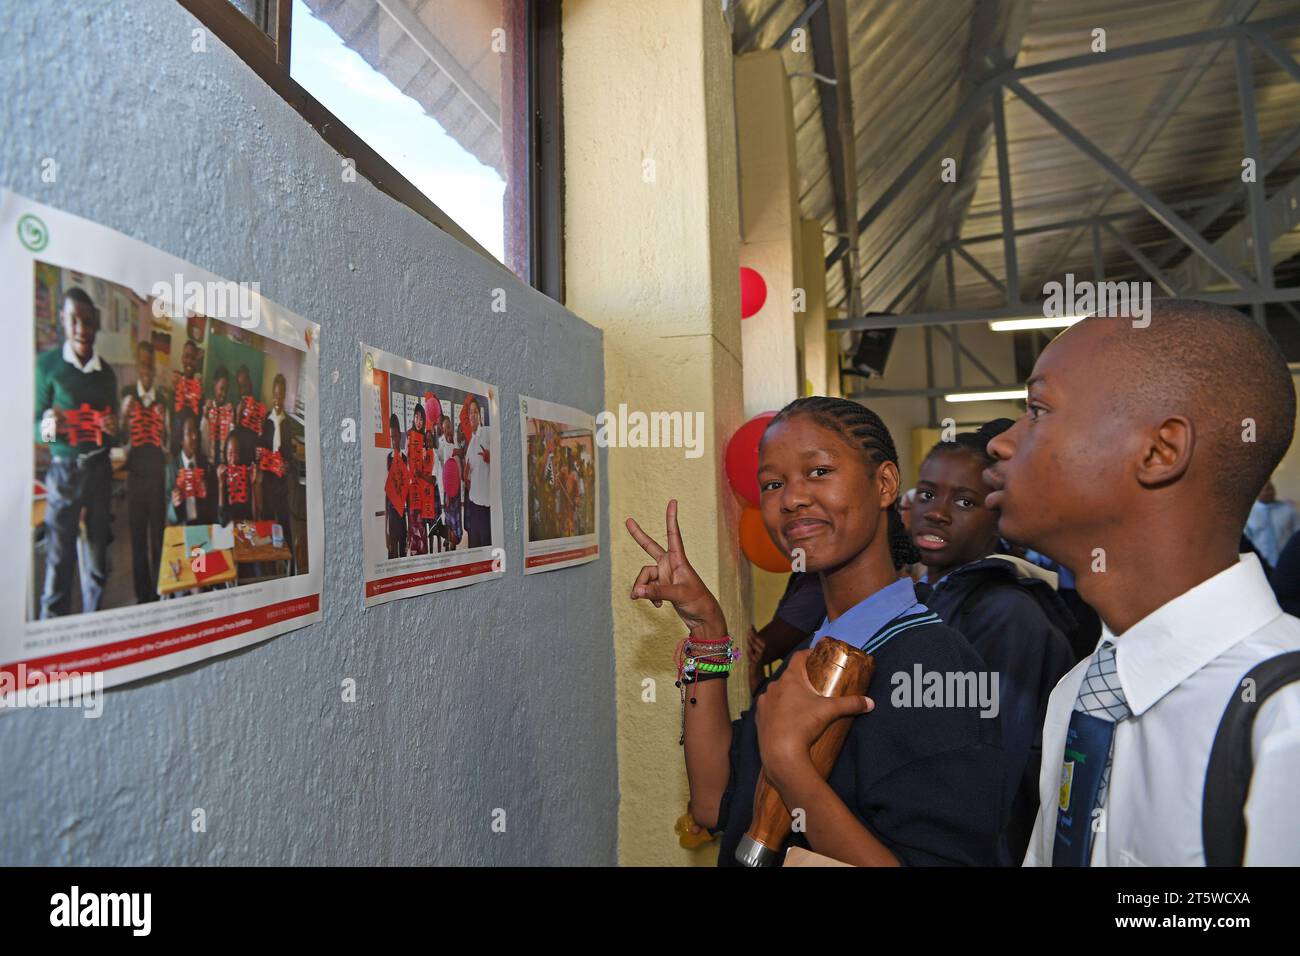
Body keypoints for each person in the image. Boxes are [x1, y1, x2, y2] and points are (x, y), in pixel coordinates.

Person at [983, 300, 1300, 866]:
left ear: (1159, 451)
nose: (1001, 442)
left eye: (1036, 409)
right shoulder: (1079, 693)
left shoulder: (1285, 718)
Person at [626, 397, 1004, 867]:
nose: (792, 498)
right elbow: (715, 800)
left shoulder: (935, 666)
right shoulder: (812, 653)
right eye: (773, 483)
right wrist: (708, 627)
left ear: (885, 484)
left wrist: (790, 766)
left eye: (819, 472)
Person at [910, 420, 1075, 863]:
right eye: (927, 494)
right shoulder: (927, 598)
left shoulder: (1007, 616)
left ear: (998, 516)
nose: (937, 512)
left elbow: (994, 770)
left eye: (964, 501)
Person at [34, 288, 119, 617]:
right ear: (62, 322)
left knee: (98, 563)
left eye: (88, 321)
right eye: (74, 320)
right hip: (64, 473)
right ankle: (50, 645)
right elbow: (33, 426)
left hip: (100, 471)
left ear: (96, 324)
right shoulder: (47, 366)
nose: (82, 328)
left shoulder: (107, 374)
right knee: (59, 564)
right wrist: (48, 425)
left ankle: (91, 631)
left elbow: (116, 434)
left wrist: (114, 430)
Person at [120, 341, 171, 604]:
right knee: (138, 540)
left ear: (154, 366)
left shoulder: (163, 399)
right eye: (142, 365)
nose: (147, 371)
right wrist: (122, 417)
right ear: (137, 366)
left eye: (150, 365)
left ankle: (158, 592)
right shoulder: (127, 395)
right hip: (135, 479)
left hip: (156, 476)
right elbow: (118, 443)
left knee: (158, 539)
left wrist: (163, 430)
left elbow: (168, 448)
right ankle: (143, 597)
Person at [258, 373, 300, 571]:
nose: (277, 399)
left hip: (281, 483)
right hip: (267, 481)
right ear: (272, 394)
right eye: (274, 394)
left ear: (284, 397)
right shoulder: (265, 420)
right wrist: (259, 454)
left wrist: (287, 466)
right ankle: (267, 563)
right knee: (267, 520)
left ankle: (290, 565)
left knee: (284, 522)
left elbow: (291, 458)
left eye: (280, 395)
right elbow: (260, 448)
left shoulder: (288, 424)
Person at [166, 415, 215, 526]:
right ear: (181, 439)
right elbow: (170, 517)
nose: (194, 436)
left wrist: (207, 494)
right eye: (189, 432)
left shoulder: (206, 466)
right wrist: (174, 504)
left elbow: (213, 509)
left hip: (202, 526)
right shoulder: (171, 469)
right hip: (182, 527)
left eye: (195, 431)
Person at [1245, 480, 1299, 570]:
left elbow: (1297, 534)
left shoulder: (1289, 510)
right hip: (1260, 564)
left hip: (1286, 561)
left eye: (1271, 489)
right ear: (1256, 492)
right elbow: (1247, 541)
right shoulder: (1248, 514)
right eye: (1265, 490)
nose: (1269, 492)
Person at [463, 395, 493, 548]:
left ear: (480, 415)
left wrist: (491, 458)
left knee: (486, 547)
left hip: (486, 506)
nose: (473, 415)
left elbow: (503, 460)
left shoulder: (488, 433)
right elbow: (468, 478)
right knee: (475, 548)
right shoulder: (471, 443)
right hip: (473, 504)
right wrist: (465, 476)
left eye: (475, 412)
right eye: (470, 412)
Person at [170, 338, 203, 457]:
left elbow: (199, 424)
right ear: (182, 358)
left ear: (196, 361)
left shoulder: (200, 391)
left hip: (193, 450)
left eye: (193, 358)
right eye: (186, 356)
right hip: (175, 448)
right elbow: (170, 421)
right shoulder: (174, 386)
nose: (189, 361)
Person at [216, 432, 257, 526]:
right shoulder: (221, 475)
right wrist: (221, 484)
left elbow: (254, 517)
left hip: (245, 527)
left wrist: (252, 483)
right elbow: (221, 519)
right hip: (228, 528)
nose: (233, 460)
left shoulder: (247, 474)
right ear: (225, 454)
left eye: (236, 453)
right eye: (230, 454)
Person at [200, 365, 236, 464]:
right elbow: (203, 444)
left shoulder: (229, 413)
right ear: (214, 385)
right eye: (221, 389)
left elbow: (231, 441)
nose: (224, 394)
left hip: (223, 465)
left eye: (226, 390)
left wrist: (232, 421)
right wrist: (206, 417)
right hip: (207, 464)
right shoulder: (207, 410)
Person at [385, 413, 407, 560]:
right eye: (391, 437)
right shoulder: (388, 458)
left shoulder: (404, 459)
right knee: (392, 556)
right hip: (392, 516)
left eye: (396, 437)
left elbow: (407, 492)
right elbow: (387, 492)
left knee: (403, 557)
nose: (393, 441)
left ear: (400, 436)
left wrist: (410, 529)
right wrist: (384, 530)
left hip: (402, 514)